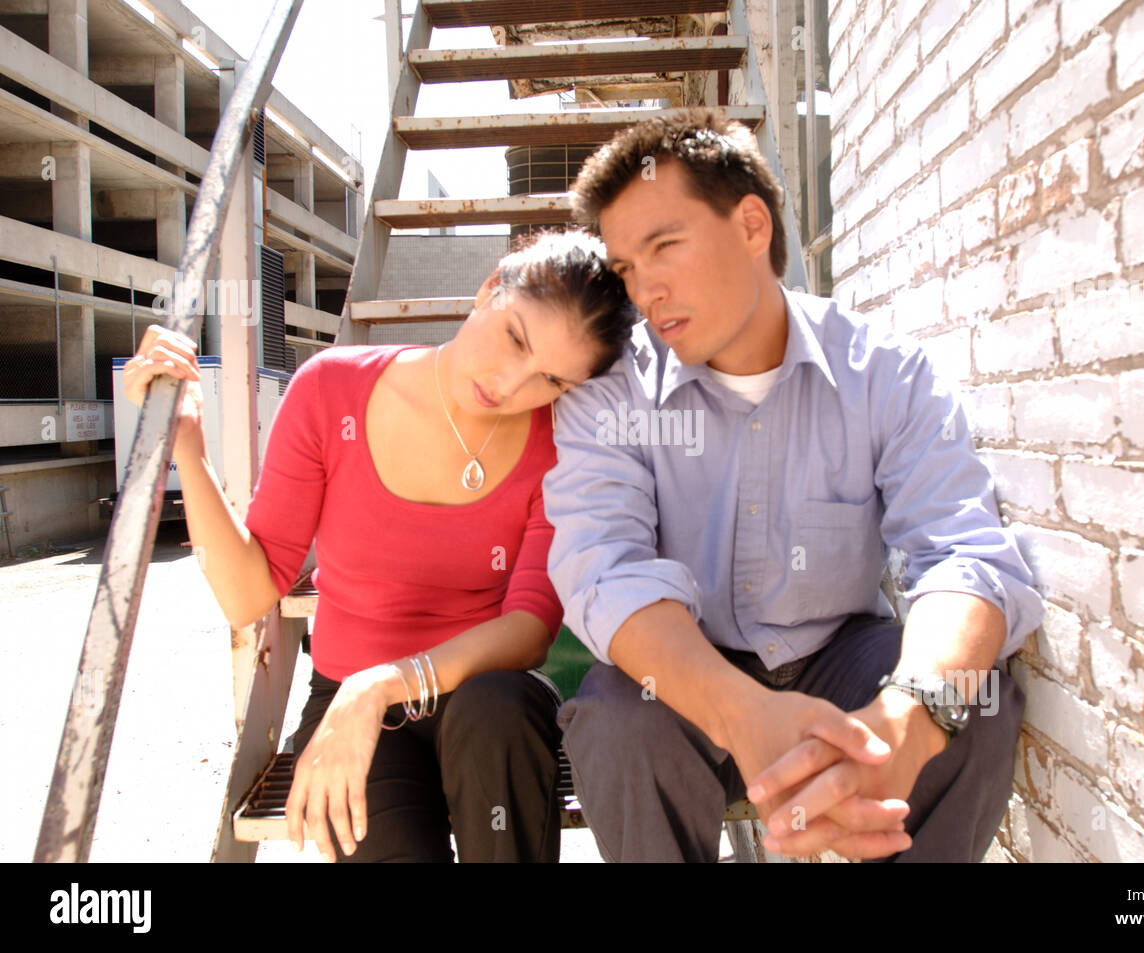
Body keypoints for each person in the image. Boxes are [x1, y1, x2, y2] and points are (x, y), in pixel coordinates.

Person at [543, 110, 1045, 862]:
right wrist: (743, 712)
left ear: (752, 225)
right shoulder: (608, 394)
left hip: (840, 651)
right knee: (617, 713)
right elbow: (603, 571)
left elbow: (964, 555)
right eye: (625, 269)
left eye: (664, 246)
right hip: (688, 662)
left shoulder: (886, 373)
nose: (645, 289)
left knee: (979, 699)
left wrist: (910, 714)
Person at [125, 229, 637, 862]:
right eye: (515, 337)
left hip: (482, 707)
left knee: (497, 707)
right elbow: (249, 593)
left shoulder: (556, 443)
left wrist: (382, 685)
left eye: (550, 379)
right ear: (489, 290)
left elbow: (530, 628)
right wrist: (189, 452)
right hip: (346, 702)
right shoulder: (329, 391)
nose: (511, 384)